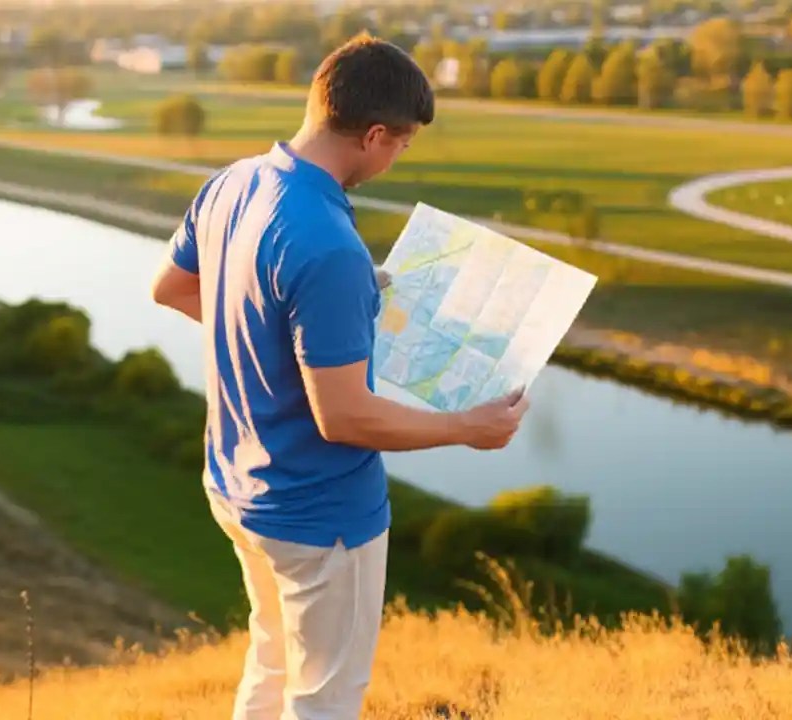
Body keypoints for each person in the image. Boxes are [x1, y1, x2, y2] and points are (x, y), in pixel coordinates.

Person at [150, 35, 529, 720]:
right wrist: (466, 428)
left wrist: (290, 331)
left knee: (271, 665)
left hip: (238, 486)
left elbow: (173, 288)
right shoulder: (329, 246)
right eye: (401, 146)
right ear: (374, 135)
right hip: (319, 516)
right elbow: (345, 417)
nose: (396, 159)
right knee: (324, 701)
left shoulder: (234, 182)